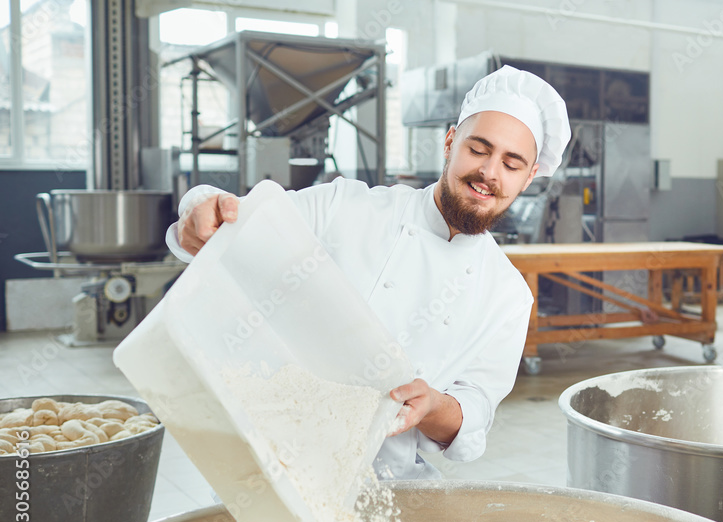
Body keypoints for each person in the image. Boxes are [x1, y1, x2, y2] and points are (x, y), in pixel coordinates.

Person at [165, 65, 571, 480]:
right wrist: (200, 207)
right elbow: (240, 224)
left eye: (511, 163)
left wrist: (432, 406)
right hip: (271, 462)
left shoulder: (507, 295)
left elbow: (475, 412)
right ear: (450, 142)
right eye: (479, 149)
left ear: (528, 178)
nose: (489, 172)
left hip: (389, 484)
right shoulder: (345, 206)